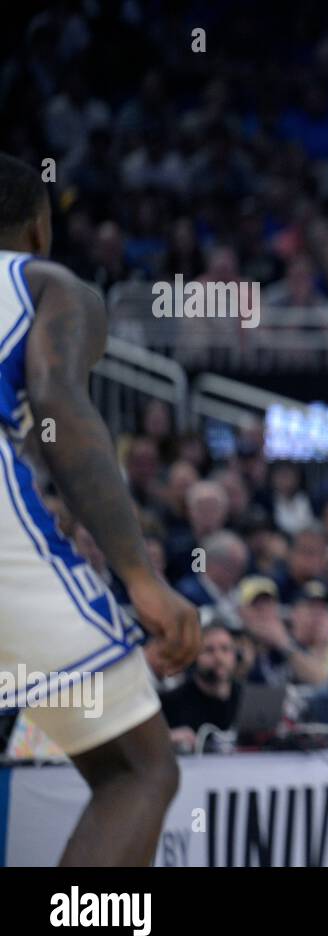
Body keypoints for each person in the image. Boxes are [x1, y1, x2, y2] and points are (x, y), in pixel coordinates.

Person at [0, 154, 199, 865]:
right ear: (39, 229)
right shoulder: (45, 282)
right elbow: (56, 399)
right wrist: (141, 579)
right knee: (138, 770)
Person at [159, 620, 242, 749]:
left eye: (225, 649)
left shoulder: (248, 697)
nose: (219, 657)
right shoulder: (170, 703)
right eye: (209, 650)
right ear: (193, 657)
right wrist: (167, 737)